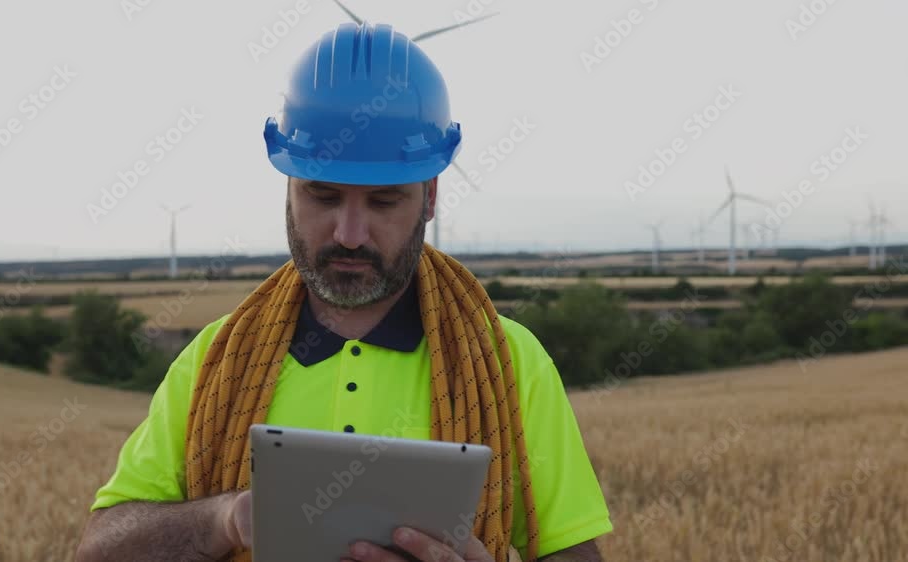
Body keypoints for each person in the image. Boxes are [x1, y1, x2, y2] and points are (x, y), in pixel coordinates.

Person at [74, 21, 611, 562]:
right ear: (288, 188)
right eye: (324, 196)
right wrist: (225, 518)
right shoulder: (215, 360)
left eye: (383, 202)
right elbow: (98, 552)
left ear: (430, 197)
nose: (349, 235)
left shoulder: (508, 362)